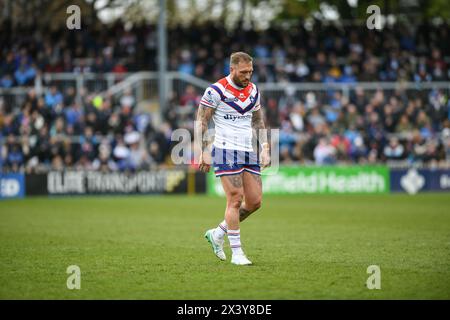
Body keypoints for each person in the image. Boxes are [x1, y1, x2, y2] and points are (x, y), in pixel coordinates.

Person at [196, 52, 270, 265]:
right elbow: (202, 120)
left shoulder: (254, 90)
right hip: (225, 150)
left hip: (248, 151)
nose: (248, 76)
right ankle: (237, 253)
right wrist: (204, 150)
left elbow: (258, 121)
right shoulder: (215, 90)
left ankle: (218, 233)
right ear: (232, 70)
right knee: (236, 199)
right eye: (244, 72)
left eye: (250, 72)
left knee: (254, 202)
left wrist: (265, 147)